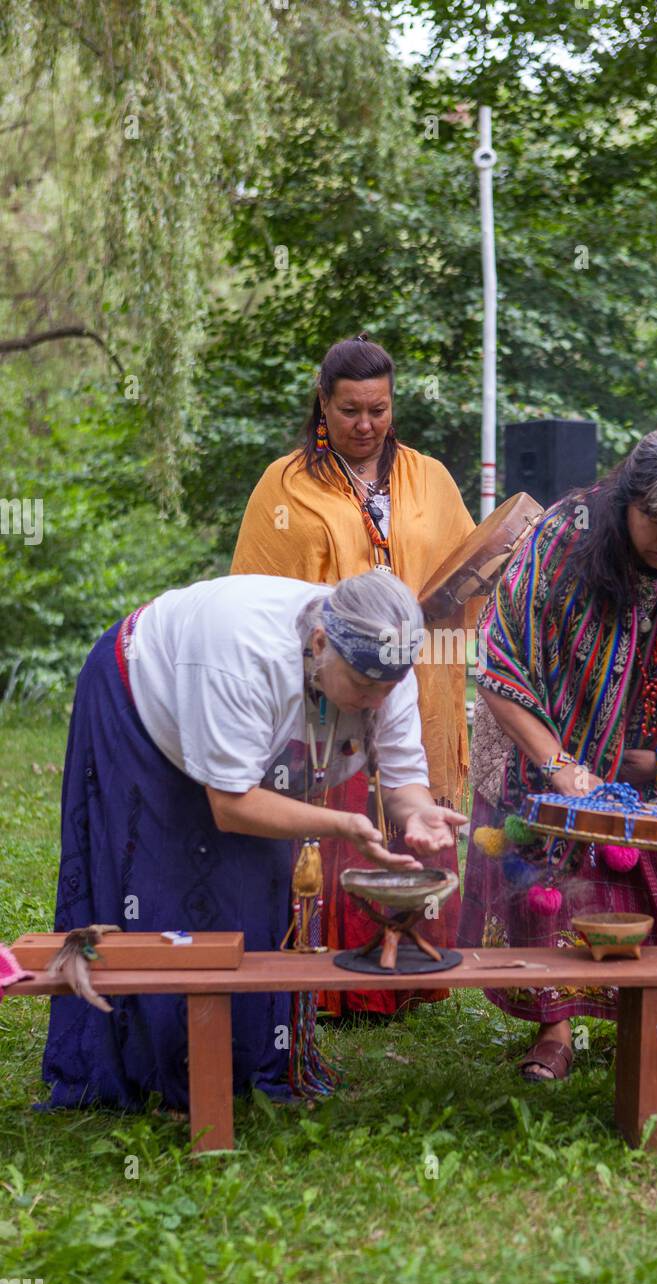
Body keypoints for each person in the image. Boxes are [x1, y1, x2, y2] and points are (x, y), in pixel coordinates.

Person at [41, 569, 465, 1111]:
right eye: (362, 688)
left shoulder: (383, 665)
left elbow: (404, 775)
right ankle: (144, 1073)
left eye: (387, 689)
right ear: (319, 644)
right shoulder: (241, 657)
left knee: (252, 888)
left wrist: (420, 813)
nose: (376, 704)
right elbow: (232, 804)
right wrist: (340, 824)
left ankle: (245, 1067)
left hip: (235, 743)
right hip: (140, 701)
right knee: (157, 886)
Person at [460, 426, 657, 1080]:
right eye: (654, 520)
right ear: (625, 499)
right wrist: (566, 770)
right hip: (549, 742)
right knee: (549, 874)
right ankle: (556, 1026)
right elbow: (499, 661)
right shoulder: (561, 537)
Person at [231, 333, 478, 1018]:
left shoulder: (429, 478)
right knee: (338, 816)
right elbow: (257, 599)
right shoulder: (284, 487)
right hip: (328, 691)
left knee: (410, 791)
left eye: (379, 409)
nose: (366, 425)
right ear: (323, 404)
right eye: (350, 411)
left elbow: (464, 569)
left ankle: (407, 970)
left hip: (419, 675)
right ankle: (333, 980)